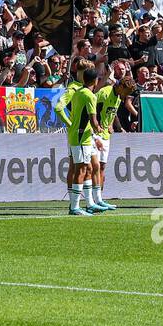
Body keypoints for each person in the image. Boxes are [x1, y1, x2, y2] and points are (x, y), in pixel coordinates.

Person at [54, 56, 105, 216]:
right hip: (80, 135)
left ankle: (89, 202)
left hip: (85, 135)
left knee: (88, 167)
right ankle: (74, 206)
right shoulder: (78, 91)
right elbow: (59, 107)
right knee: (79, 168)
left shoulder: (80, 91)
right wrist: (71, 125)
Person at [88, 59, 135, 212]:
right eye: (125, 93)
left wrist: (113, 125)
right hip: (95, 133)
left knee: (102, 167)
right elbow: (92, 106)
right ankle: (91, 200)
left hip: (106, 135)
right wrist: (97, 124)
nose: (125, 96)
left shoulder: (118, 96)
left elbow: (112, 113)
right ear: (120, 86)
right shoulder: (105, 92)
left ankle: (99, 198)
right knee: (92, 167)